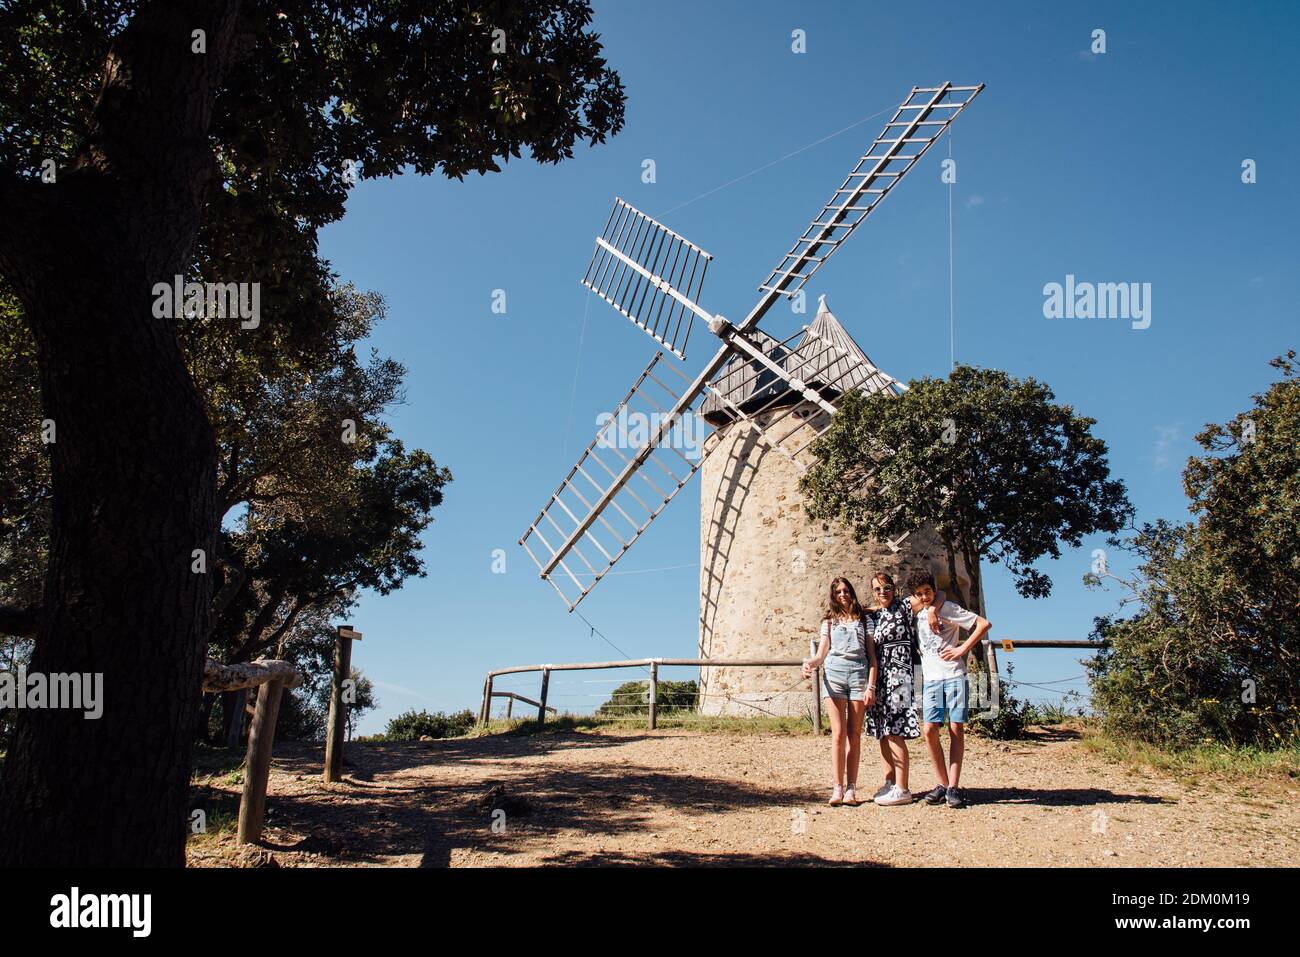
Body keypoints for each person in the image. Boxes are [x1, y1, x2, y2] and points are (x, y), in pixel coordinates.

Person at [906, 569, 991, 810]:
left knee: (956, 728)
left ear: (934, 589)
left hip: (954, 675)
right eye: (920, 594)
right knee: (930, 730)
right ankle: (942, 783)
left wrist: (961, 650)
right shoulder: (917, 610)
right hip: (932, 678)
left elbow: (983, 624)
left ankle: (953, 786)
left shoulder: (949, 608)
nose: (925, 596)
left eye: (928, 591)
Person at [864, 571, 945, 807]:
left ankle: (903, 788)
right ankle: (890, 782)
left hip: (900, 674)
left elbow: (939, 593)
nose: (883, 592)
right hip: (880, 675)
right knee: (883, 730)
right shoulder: (875, 616)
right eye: (878, 589)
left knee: (895, 730)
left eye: (887, 587)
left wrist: (932, 610)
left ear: (894, 588)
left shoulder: (905, 606)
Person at [802, 577, 878, 806]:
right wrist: (811, 664)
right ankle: (837, 787)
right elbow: (822, 652)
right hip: (834, 677)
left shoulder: (866, 621)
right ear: (833, 596)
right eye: (838, 592)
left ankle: (851, 789)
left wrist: (871, 686)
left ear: (852, 592)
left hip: (858, 676)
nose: (843, 595)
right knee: (838, 734)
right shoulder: (828, 622)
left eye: (846, 590)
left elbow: (872, 656)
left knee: (855, 735)